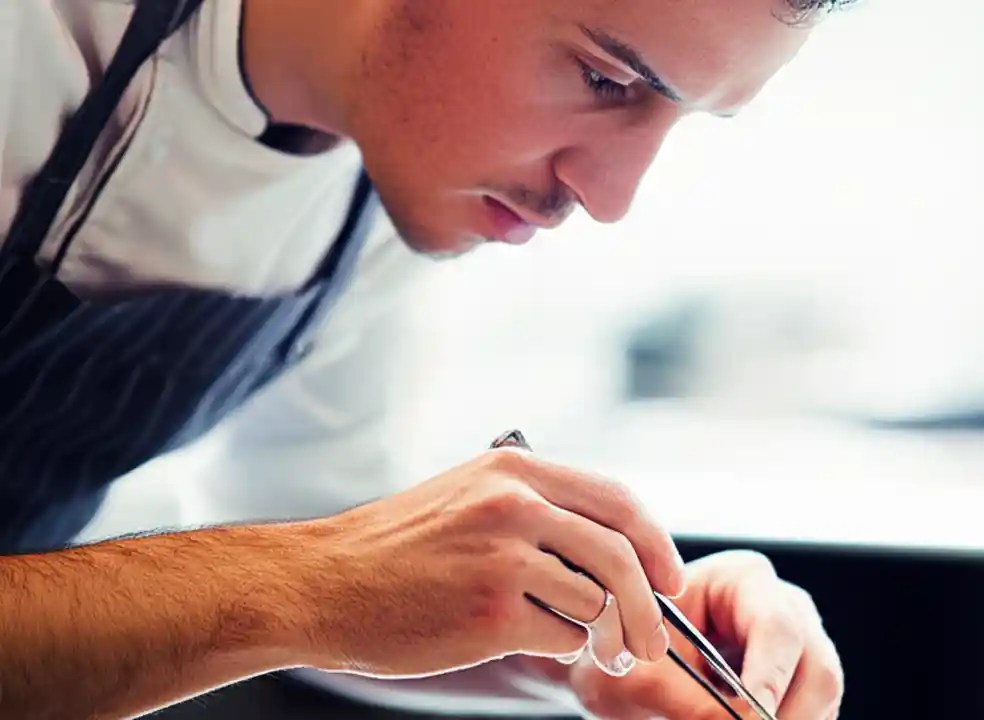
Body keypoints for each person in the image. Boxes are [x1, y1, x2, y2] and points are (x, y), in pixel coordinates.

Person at [0, 0, 849, 718]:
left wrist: (590, 640)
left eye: (681, 119)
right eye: (602, 78)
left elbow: (323, 537)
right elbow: (319, 574)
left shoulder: (393, 170)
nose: (609, 197)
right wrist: (316, 580)